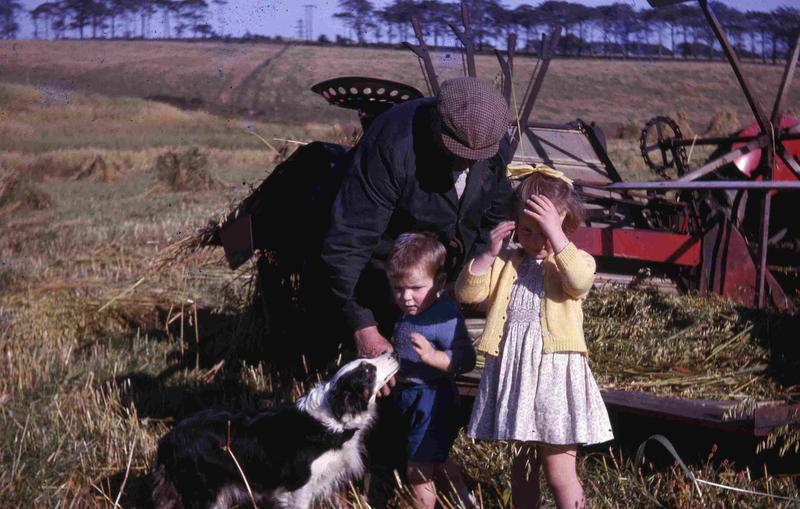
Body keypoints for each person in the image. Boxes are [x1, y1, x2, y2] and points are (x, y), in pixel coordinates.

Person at [455, 165, 614, 509]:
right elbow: (468, 294)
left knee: (560, 473)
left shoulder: (571, 261)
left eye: (546, 231)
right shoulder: (508, 262)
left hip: (556, 380)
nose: (537, 241)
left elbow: (579, 281)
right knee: (521, 469)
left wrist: (557, 237)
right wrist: (487, 253)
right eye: (527, 231)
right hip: (518, 379)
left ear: (565, 226)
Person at [385, 233, 476, 509]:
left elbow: (466, 359)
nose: (406, 297)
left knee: (418, 471)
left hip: (433, 399)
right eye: (398, 288)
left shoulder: (444, 314)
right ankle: (465, 500)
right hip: (409, 396)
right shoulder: (412, 309)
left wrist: (434, 356)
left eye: (414, 287)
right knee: (435, 459)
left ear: (439, 282)